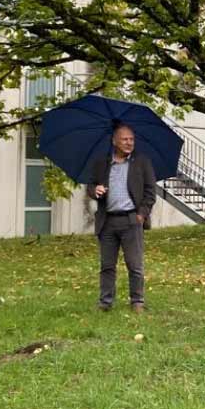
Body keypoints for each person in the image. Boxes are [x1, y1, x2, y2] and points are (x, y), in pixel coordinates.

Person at [88, 122, 157, 313]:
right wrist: (96, 190)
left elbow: (151, 192)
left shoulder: (142, 162)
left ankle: (137, 302)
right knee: (107, 265)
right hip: (107, 221)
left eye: (132, 139)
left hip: (131, 220)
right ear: (114, 141)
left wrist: (141, 215)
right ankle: (105, 302)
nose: (129, 143)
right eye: (125, 139)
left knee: (135, 264)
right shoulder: (102, 163)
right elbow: (90, 185)